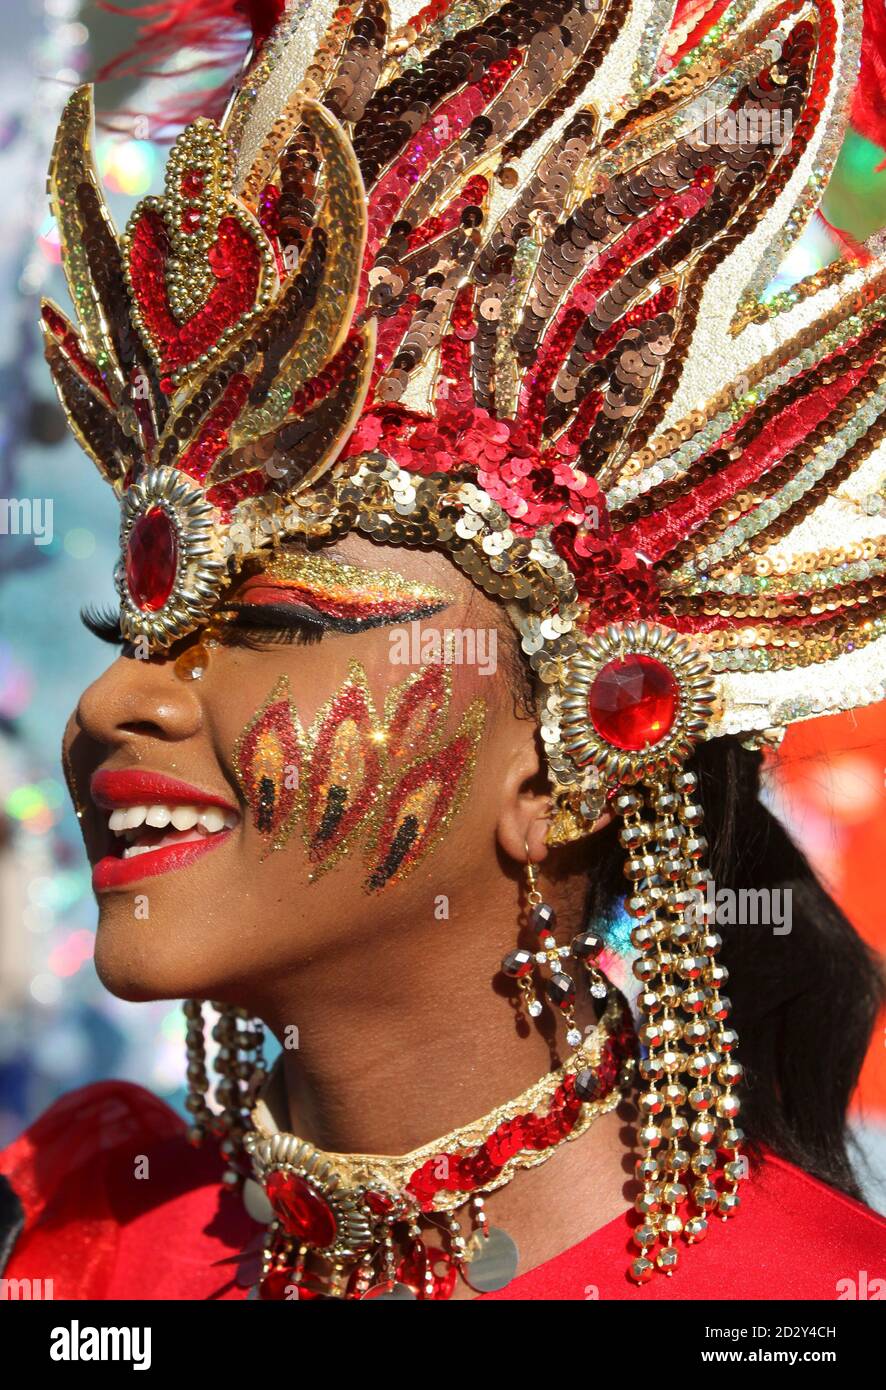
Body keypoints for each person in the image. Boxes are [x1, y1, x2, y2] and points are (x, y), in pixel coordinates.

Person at [2, 0, 886, 1300]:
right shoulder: (92, 1252)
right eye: (138, 633)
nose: (119, 703)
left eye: (281, 624)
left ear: (570, 754)